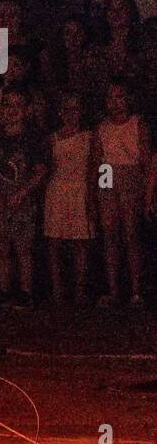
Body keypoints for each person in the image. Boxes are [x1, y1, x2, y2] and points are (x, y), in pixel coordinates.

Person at [0, 86, 47, 307]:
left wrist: (22, 193)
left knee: (22, 248)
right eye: (8, 105)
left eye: (17, 105)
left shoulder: (31, 140)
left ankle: (25, 292)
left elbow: (41, 172)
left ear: (26, 110)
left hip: (22, 202)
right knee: (0, 248)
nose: (12, 110)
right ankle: (3, 291)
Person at [96, 79, 149, 307]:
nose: (115, 103)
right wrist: (100, 192)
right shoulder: (103, 127)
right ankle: (113, 289)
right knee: (110, 235)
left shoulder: (138, 124)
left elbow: (145, 160)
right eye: (110, 98)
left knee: (131, 234)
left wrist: (148, 191)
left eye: (120, 97)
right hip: (109, 177)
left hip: (130, 177)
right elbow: (100, 162)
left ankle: (136, 291)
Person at [42, 93, 96, 305]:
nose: (70, 114)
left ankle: (79, 290)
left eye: (75, 109)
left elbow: (93, 167)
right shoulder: (52, 138)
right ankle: (57, 290)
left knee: (79, 243)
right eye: (67, 109)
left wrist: (91, 195)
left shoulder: (89, 137)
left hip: (80, 189)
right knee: (54, 242)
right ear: (60, 111)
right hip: (57, 189)